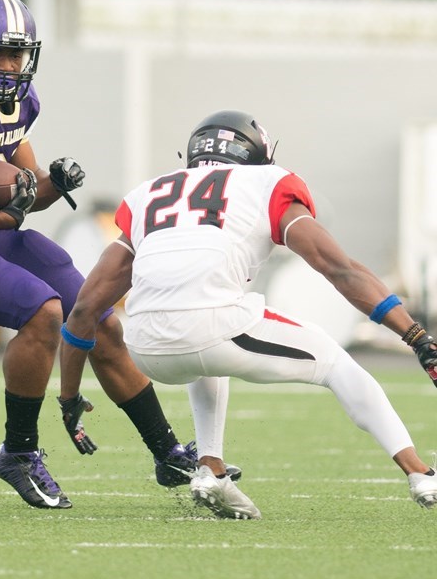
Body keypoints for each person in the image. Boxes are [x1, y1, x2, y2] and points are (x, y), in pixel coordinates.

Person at [0, 0, 211, 510]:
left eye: (17, 54)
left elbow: (25, 192)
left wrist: (50, 182)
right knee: (43, 312)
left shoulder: (19, 100)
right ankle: (18, 452)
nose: (9, 66)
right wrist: (4, 212)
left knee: (97, 317)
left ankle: (166, 451)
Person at [60, 109, 437, 519]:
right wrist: (416, 336)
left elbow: (84, 308)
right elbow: (339, 269)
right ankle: (422, 474)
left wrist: (67, 396)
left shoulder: (147, 194)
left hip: (145, 345)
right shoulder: (267, 183)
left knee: (209, 350)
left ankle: (210, 467)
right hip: (212, 329)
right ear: (256, 152)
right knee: (338, 366)